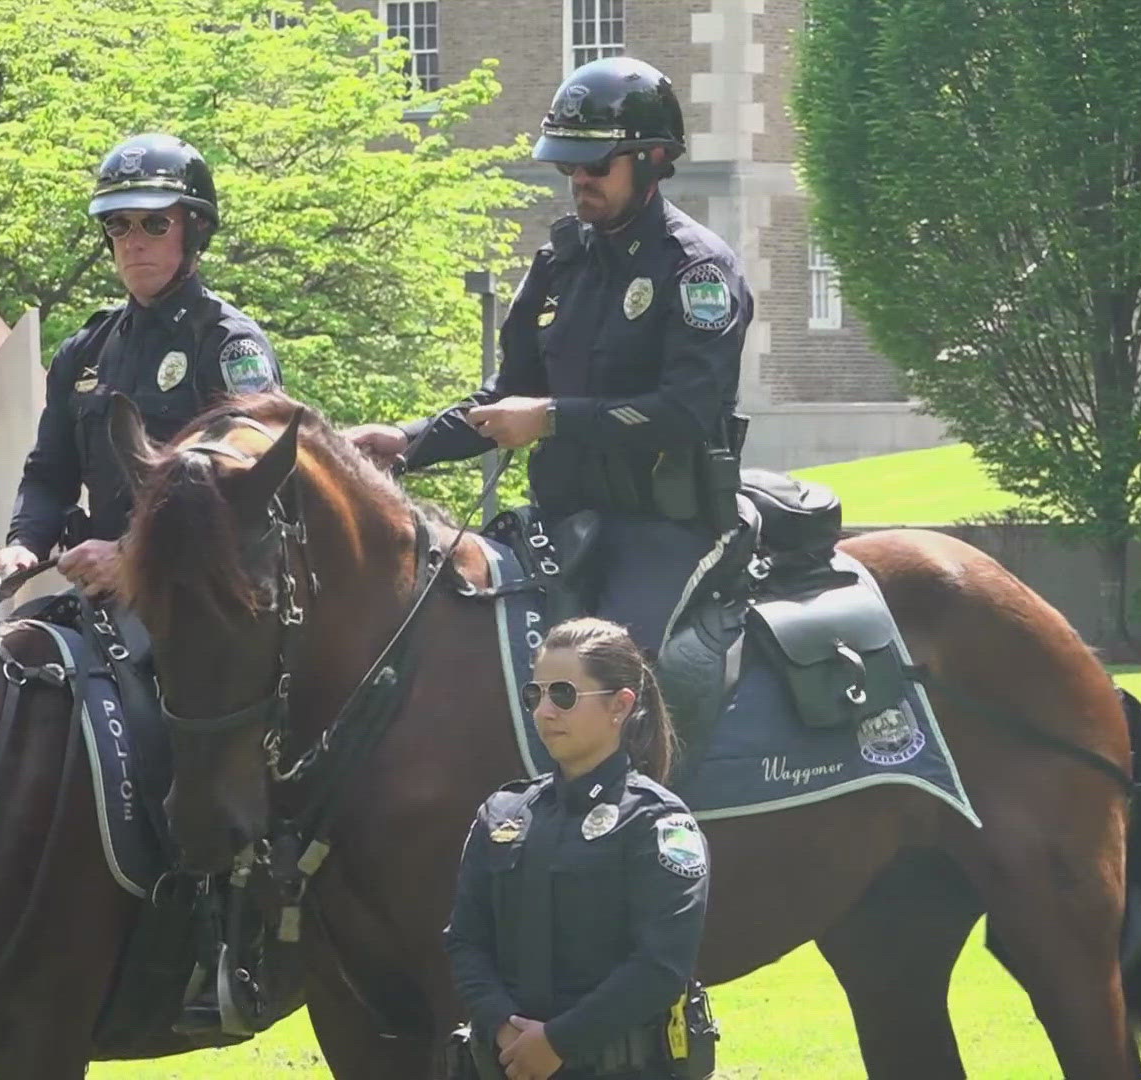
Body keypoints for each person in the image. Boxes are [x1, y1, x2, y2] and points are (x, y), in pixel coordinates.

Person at [344, 57, 753, 645]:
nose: (579, 180)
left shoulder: (696, 270)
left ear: (653, 160)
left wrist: (551, 418)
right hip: (560, 522)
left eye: (594, 165)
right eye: (567, 163)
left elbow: (686, 411)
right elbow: (509, 396)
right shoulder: (562, 263)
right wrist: (409, 442)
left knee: (601, 677)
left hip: (665, 528)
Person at [0, 132, 281, 597]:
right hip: (103, 598)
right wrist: (24, 543)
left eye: (154, 225)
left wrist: (132, 555)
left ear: (195, 230)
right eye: (118, 225)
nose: (133, 242)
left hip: (208, 602)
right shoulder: (84, 351)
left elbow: (252, 489)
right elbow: (49, 473)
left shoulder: (229, 346)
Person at [445, 618, 713, 1080]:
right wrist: (508, 1032)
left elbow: (661, 964)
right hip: (507, 1065)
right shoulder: (504, 813)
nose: (545, 711)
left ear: (620, 705)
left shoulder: (656, 821)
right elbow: (465, 939)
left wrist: (556, 1043)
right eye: (536, 695)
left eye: (564, 695)